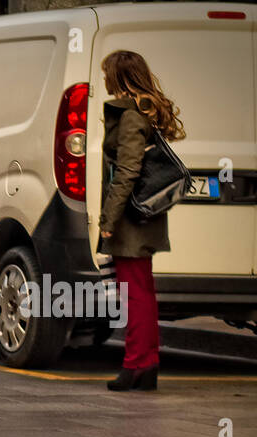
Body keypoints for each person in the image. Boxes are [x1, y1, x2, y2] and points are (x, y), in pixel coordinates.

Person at [98, 50, 184, 392]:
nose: (103, 78)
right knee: (142, 291)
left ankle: (136, 364)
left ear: (118, 76)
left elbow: (128, 171)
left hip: (131, 218)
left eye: (107, 73)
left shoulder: (132, 116)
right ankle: (145, 364)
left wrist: (109, 218)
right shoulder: (141, 111)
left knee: (133, 293)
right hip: (142, 217)